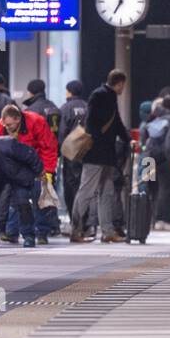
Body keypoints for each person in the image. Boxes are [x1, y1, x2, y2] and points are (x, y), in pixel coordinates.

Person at [73, 69, 128, 244]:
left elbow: (116, 121)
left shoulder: (110, 96)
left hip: (106, 154)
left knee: (107, 193)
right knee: (86, 191)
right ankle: (76, 230)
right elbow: (90, 123)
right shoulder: (98, 95)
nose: (123, 89)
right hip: (95, 153)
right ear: (118, 83)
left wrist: (127, 139)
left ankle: (108, 232)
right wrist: (98, 142)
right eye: (123, 85)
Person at [0, 104, 57, 245]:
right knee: (18, 200)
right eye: (5, 124)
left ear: (18, 119)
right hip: (16, 167)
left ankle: (41, 233)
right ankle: (13, 232)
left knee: (40, 198)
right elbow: (1, 149)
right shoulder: (2, 125)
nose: (7, 127)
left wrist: (48, 172)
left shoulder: (37, 122)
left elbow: (48, 147)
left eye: (10, 124)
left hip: (37, 164)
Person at [22, 79, 62, 235]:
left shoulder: (32, 111)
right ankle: (53, 224)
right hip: (52, 156)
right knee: (50, 190)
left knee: (36, 193)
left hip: (36, 158)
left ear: (31, 92)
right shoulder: (55, 108)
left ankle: (39, 227)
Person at [142, 95, 170, 230]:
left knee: (149, 189)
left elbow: (144, 139)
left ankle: (147, 219)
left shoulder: (152, 118)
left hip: (148, 158)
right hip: (164, 159)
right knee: (167, 188)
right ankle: (163, 219)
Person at [58, 80, 88, 237]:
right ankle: (87, 222)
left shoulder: (65, 108)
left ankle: (75, 222)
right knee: (86, 187)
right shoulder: (88, 106)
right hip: (87, 152)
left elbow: (61, 132)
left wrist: (60, 151)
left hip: (71, 154)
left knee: (71, 188)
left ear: (69, 91)